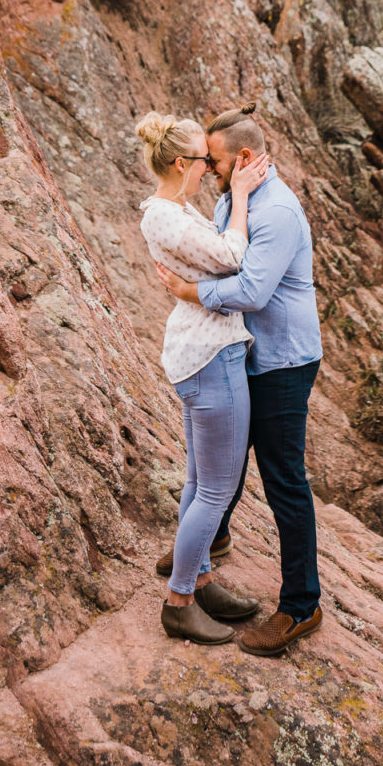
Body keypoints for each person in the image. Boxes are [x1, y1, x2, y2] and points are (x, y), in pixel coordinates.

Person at [155, 102, 323, 658]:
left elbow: (250, 291)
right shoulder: (238, 196)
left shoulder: (274, 212)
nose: (211, 172)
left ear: (244, 157)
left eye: (217, 163)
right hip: (245, 352)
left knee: (283, 481)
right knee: (222, 458)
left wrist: (190, 293)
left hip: (282, 361)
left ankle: (302, 605)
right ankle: (202, 548)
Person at [136, 111, 270, 645]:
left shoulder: (175, 210)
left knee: (199, 483)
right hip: (211, 357)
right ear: (179, 163)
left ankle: (200, 580)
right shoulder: (166, 217)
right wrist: (239, 197)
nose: (210, 167)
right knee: (216, 490)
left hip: (205, 353)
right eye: (203, 160)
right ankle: (179, 603)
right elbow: (234, 258)